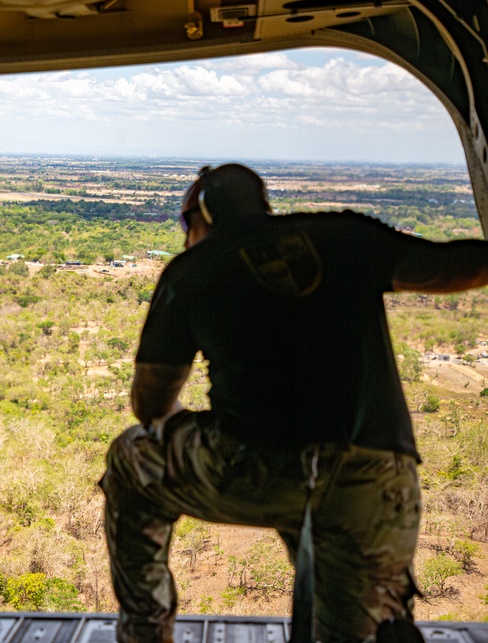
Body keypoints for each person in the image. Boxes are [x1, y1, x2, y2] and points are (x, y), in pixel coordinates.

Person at [101, 164, 488, 643]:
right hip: (373, 477)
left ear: (201, 214)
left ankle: (145, 633)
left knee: (128, 460)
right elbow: (460, 267)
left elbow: (150, 406)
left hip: (255, 465)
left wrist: (198, 426)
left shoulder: (193, 270)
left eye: (185, 225)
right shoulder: (343, 235)